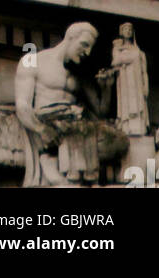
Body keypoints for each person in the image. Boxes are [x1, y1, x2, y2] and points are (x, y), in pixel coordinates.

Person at [15, 22, 114, 186]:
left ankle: (81, 176)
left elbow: (100, 112)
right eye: (84, 45)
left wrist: (107, 88)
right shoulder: (33, 60)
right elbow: (22, 105)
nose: (87, 52)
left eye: (90, 48)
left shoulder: (80, 73)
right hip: (47, 125)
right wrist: (41, 129)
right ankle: (51, 166)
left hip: (73, 128)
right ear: (70, 38)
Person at [109, 23, 149, 137]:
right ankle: (127, 126)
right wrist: (124, 55)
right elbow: (115, 62)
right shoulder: (118, 49)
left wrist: (146, 86)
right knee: (126, 105)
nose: (128, 31)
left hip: (137, 83)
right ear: (121, 32)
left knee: (139, 104)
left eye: (130, 29)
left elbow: (144, 71)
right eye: (125, 29)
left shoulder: (139, 51)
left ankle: (139, 128)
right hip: (125, 82)